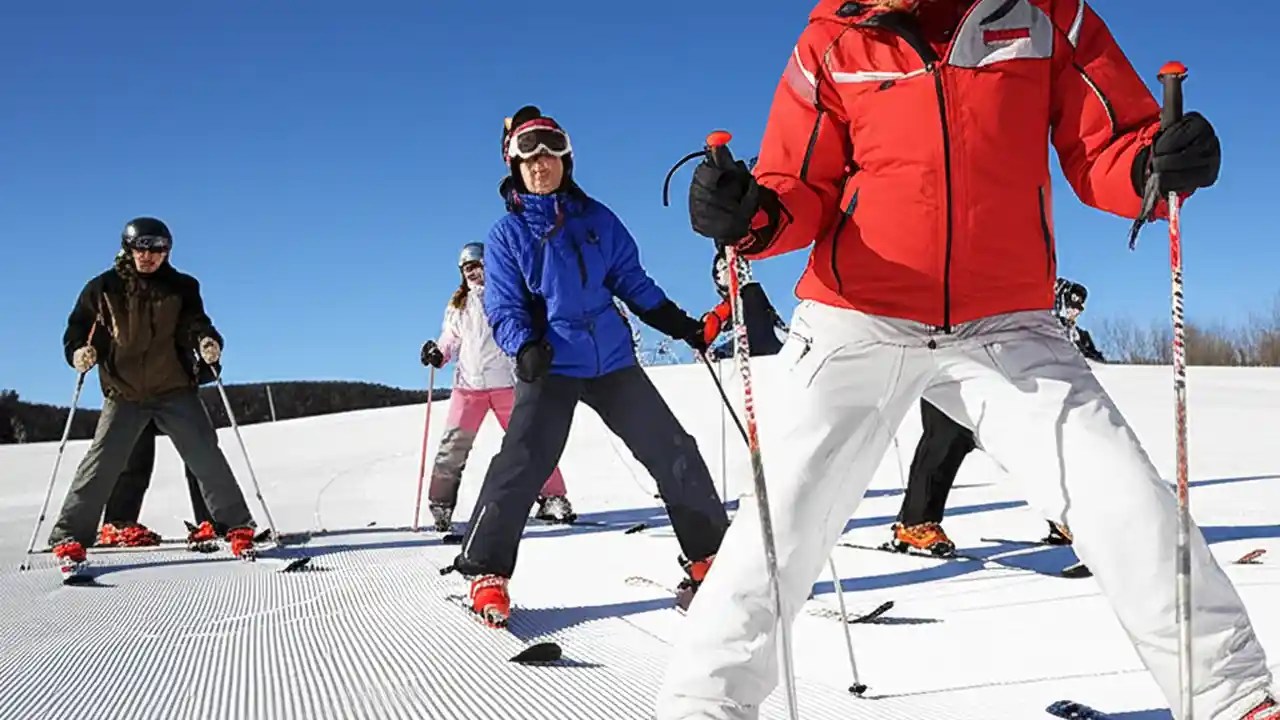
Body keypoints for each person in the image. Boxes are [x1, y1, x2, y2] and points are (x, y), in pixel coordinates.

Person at [658, 3, 1277, 720]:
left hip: (1007, 322)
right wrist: (753, 214)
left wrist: (1154, 163)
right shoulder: (834, 38)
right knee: (779, 524)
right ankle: (703, 707)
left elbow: (1107, 145)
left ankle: (1231, 700)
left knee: (1124, 501)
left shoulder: (1050, 16)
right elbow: (802, 187)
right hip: (857, 319)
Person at [446, 105, 729, 626]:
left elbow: (632, 281)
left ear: (565, 160)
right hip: (552, 361)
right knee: (526, 459)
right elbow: (504, 306)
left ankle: (710, 557)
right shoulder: (507, 236)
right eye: (528, 158)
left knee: (673, 450)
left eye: (550, 154)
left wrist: (681, 324)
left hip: (612, 358)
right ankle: (485, 569)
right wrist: (524, 346)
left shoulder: (599, 220)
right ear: (514, 167)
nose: (540, 165)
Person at [49, 217, 258, 570]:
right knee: (102, 463)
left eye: (157, 250)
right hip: (124, 392)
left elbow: (197, 323)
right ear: (128, 249)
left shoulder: (181, 286)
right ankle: (70, 535)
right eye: (141, 249)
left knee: (205, 455)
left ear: (167, 251)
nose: (148, 257)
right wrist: (77, 353)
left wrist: (208, 342)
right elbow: (78, 328)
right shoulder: (102, 288)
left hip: (173, 388)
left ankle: (236, 526)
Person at [418, 241, 575, 533]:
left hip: (506, 383)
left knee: (530, 440)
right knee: (453, 447)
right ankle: (441, 504)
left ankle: (553, 498)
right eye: (468, 268)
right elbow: (449, 339)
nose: (474, 273)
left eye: (478, 266)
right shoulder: (457, 305)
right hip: (469, 387)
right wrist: (438, 354)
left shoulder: (508, 294)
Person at [703, 248, 788, 360]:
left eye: (735, 267)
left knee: (751, 293)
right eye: (724, 268)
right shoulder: (719, 314)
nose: (730, 271)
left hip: (765, 347)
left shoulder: (752, 296)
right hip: (737, 351)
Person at [1055, 277, 1105, 361]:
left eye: (1079, 308)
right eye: (1073, 304)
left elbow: (1096, 362)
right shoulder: (1048, 328)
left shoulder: (1082, 337)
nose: (1076, 311)